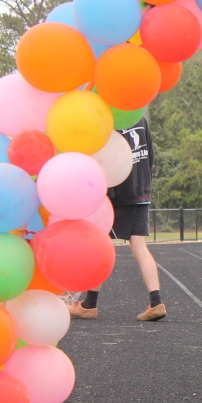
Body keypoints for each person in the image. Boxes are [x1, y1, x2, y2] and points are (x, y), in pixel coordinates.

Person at [69, 116, 166, 322]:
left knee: (101, 246)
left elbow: (106, 158)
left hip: (119, 194)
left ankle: (89, 304)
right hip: (142, 190)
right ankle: (156, 301)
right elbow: (150, 155)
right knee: (139, 245)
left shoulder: (109, 117)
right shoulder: (140, 117)